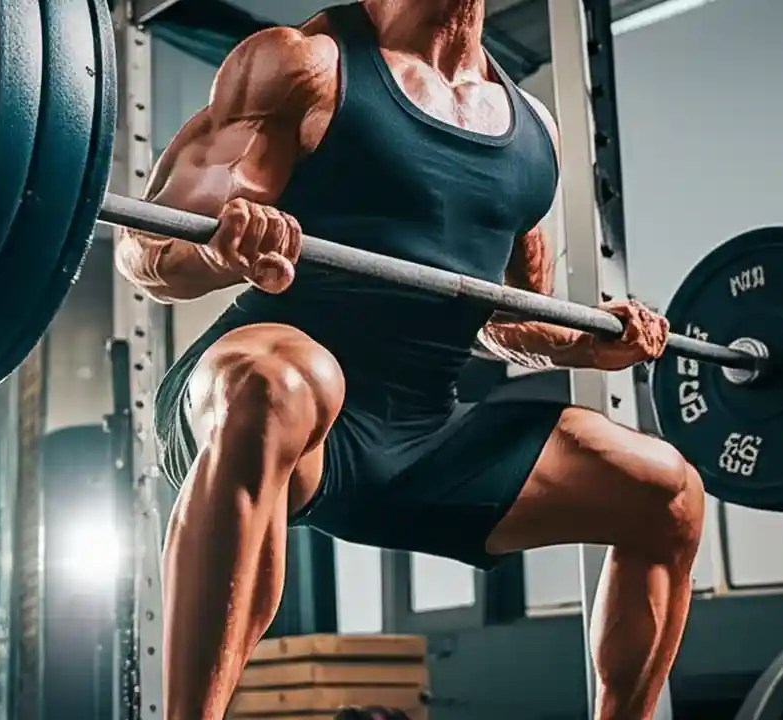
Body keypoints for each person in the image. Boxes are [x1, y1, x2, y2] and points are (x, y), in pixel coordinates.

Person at [114, 1, 704, 718]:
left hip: (419, 435)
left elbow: (503, 319)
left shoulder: (533, 133)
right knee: (284, 384)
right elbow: (143, 249)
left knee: (665, 493)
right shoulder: (304, 65)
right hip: (260, 403)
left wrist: (585, 343)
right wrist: (217, 248)